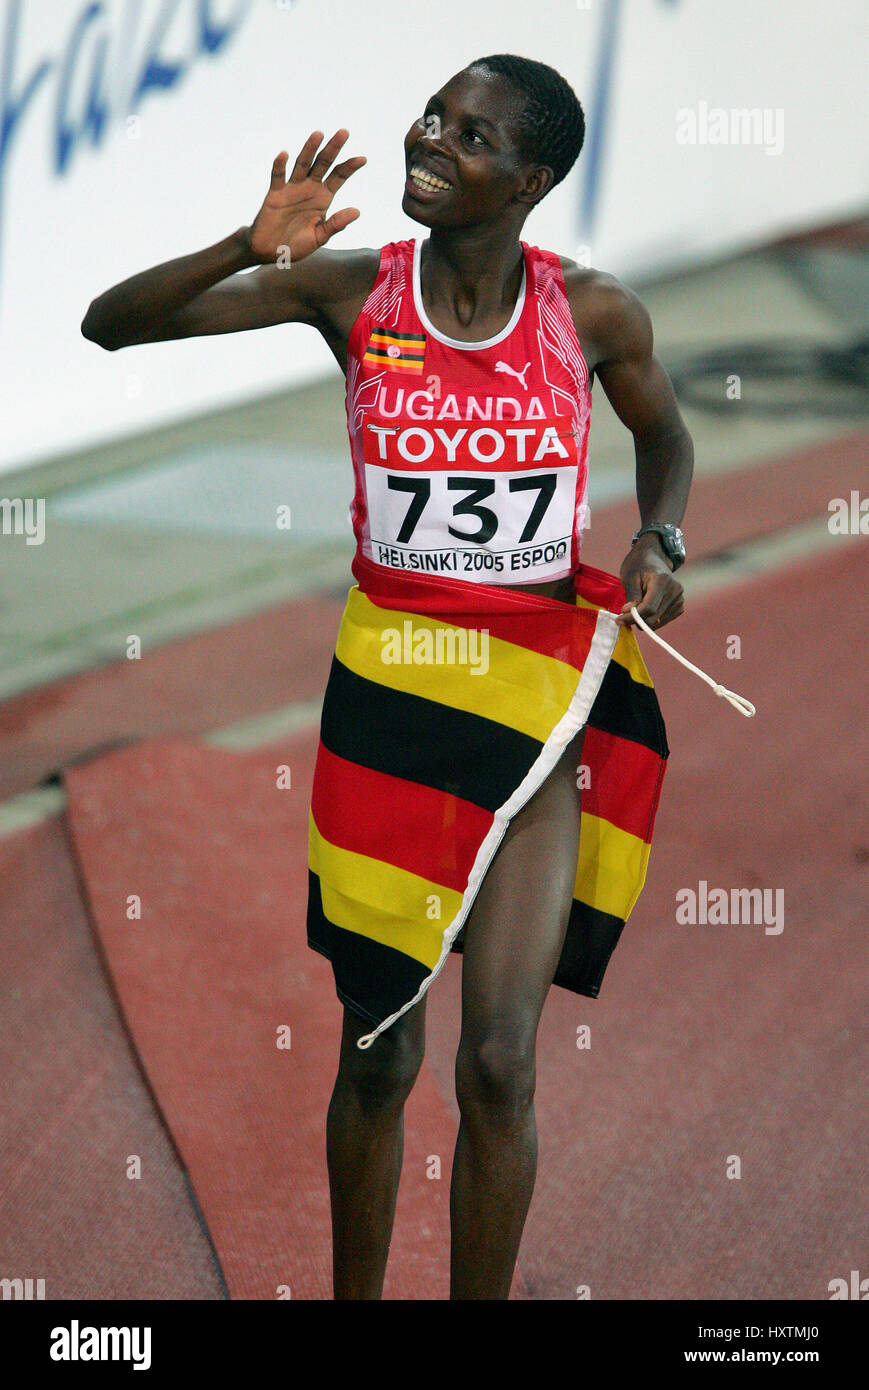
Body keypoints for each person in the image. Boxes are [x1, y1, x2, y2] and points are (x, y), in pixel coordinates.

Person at [82, 53, 693, 1301]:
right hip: (390, 700)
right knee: (375, 1053)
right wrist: (240, 247)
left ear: (528, 180)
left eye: (465, 137)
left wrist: (659, 536)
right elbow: (112, 323)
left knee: (499, 1065)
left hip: (533, 701)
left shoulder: (595, 311)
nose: (427, 140)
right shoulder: (354, 290)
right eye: (430, 116)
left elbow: (664, 436)